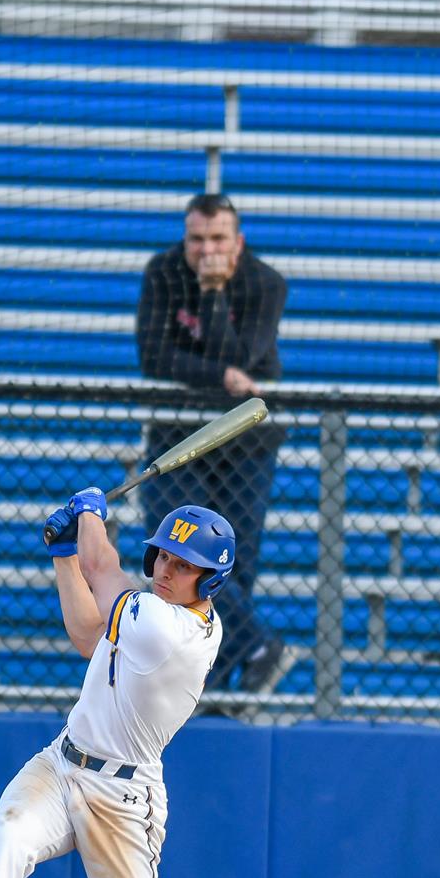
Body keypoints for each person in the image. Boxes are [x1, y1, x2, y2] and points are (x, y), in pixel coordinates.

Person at [0, 488, 284, 878]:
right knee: (7, 843)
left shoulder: (169, 628)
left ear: (211, 581)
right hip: (61, 765)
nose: (167, 570)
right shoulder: (145, 610)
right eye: (164, 557)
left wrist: (88, 513)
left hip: (123, 796)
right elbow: (88, 635)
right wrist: (65, 556)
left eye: (186, 566)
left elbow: (103, 565)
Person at [134, 193, 295, 695]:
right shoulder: (162, 272)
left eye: (219, 239)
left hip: (247, 444)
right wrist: (220, 375)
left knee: (233, 563)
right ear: (184, 239)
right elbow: (154, 357)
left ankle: (216, 681)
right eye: (197, 240)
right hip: (177, 437)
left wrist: (212, 295)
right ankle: (259, 646)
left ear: (238, 241)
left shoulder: (265, 284)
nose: (208, 251)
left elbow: (242, 358)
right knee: (174, 546)